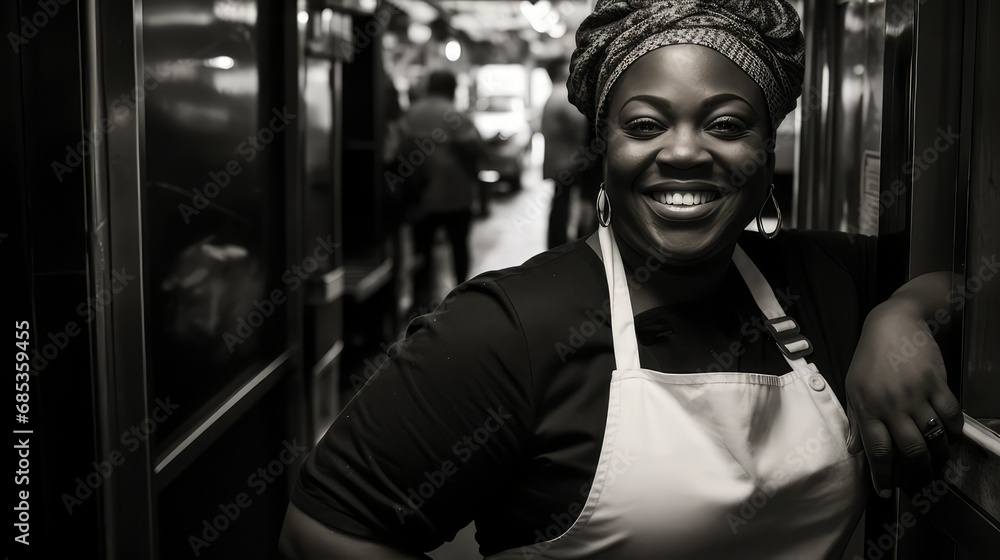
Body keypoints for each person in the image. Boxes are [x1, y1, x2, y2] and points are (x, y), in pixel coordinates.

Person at [280, 1, 963, 558]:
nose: (687, 150)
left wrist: (900, 315)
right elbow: (323, 533)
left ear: (768, 150)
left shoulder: (825, 279)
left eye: (727, 124)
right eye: (646, 124)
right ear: (605, 147)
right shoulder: (507, 328)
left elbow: (975, 279)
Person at [399, 70, 484, 316]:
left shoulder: (411, 114)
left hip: (421, 199)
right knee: (459, 247)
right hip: (455, 195)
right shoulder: (455, 115)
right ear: (453, 88)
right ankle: (461, 299)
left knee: (421, 250)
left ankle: (419, 301)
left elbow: (399, 150)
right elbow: (475, 151)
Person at [541, 57, 595, 248]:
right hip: (567, 163)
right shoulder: (562, 97)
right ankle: (561, 246)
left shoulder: (552, 96)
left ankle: (556, 244)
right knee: (565, 207)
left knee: (560, 205)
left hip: (558, 162)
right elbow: (583, 126)